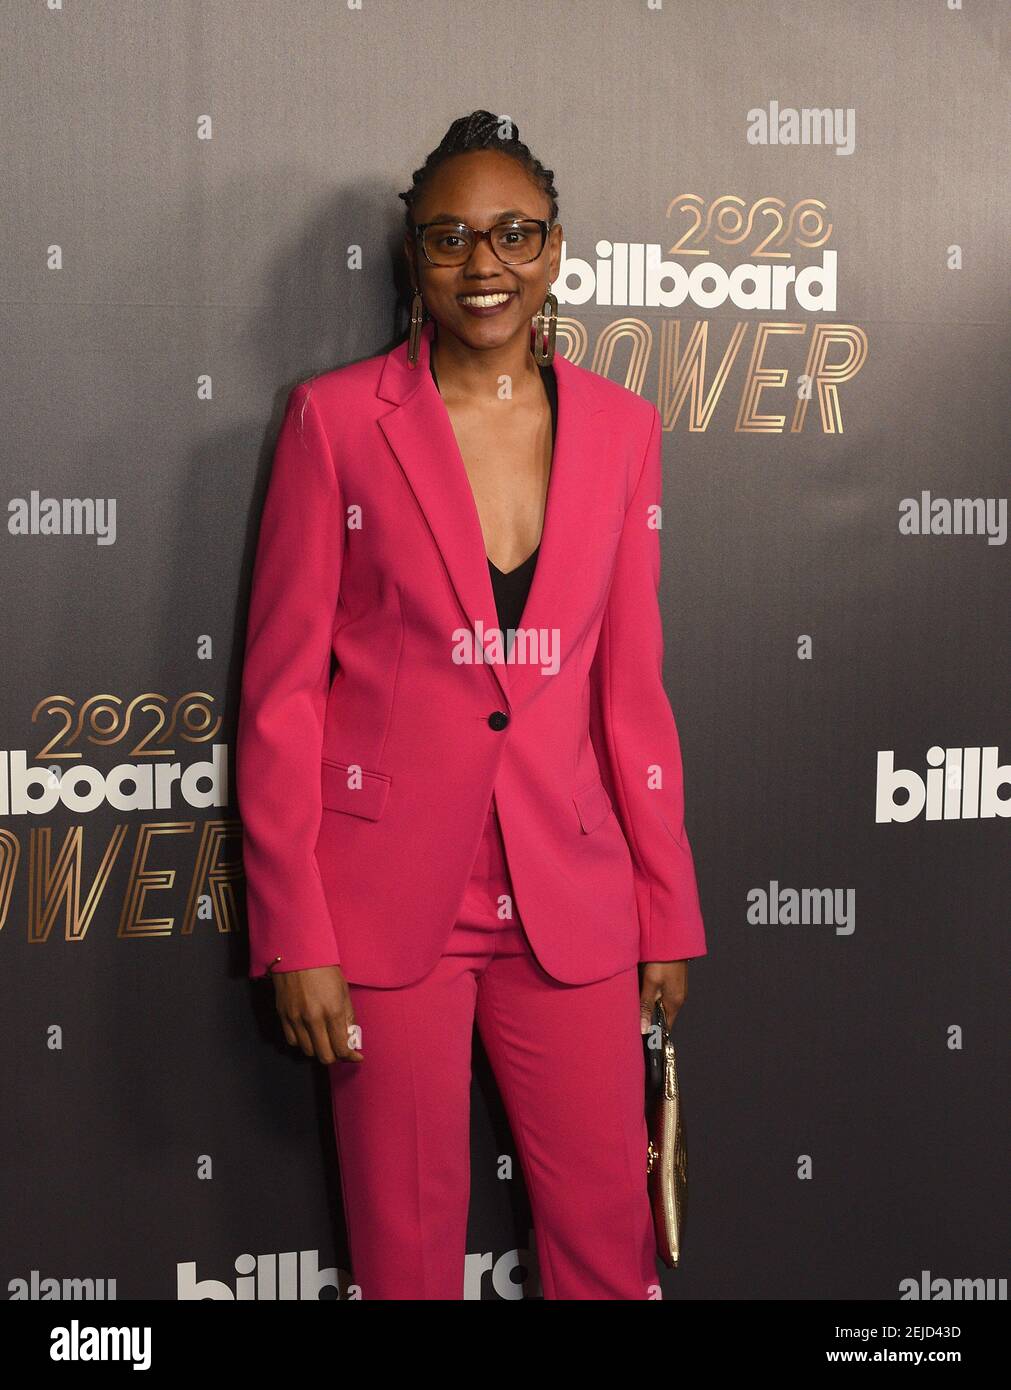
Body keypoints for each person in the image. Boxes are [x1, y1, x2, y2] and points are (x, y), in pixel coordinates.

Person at [236, 110, 706, 1300]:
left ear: (555, 250)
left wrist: (668, 908)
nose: (483, 263)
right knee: (403, 1251)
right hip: (389, 911)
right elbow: (282, 696)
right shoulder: (336, 422)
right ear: (413, 258)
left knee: (606, 1237)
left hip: (574, 900)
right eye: (450, 237)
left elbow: (632, 693)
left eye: (513, 234)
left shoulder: (625, 430)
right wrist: (295, 930)